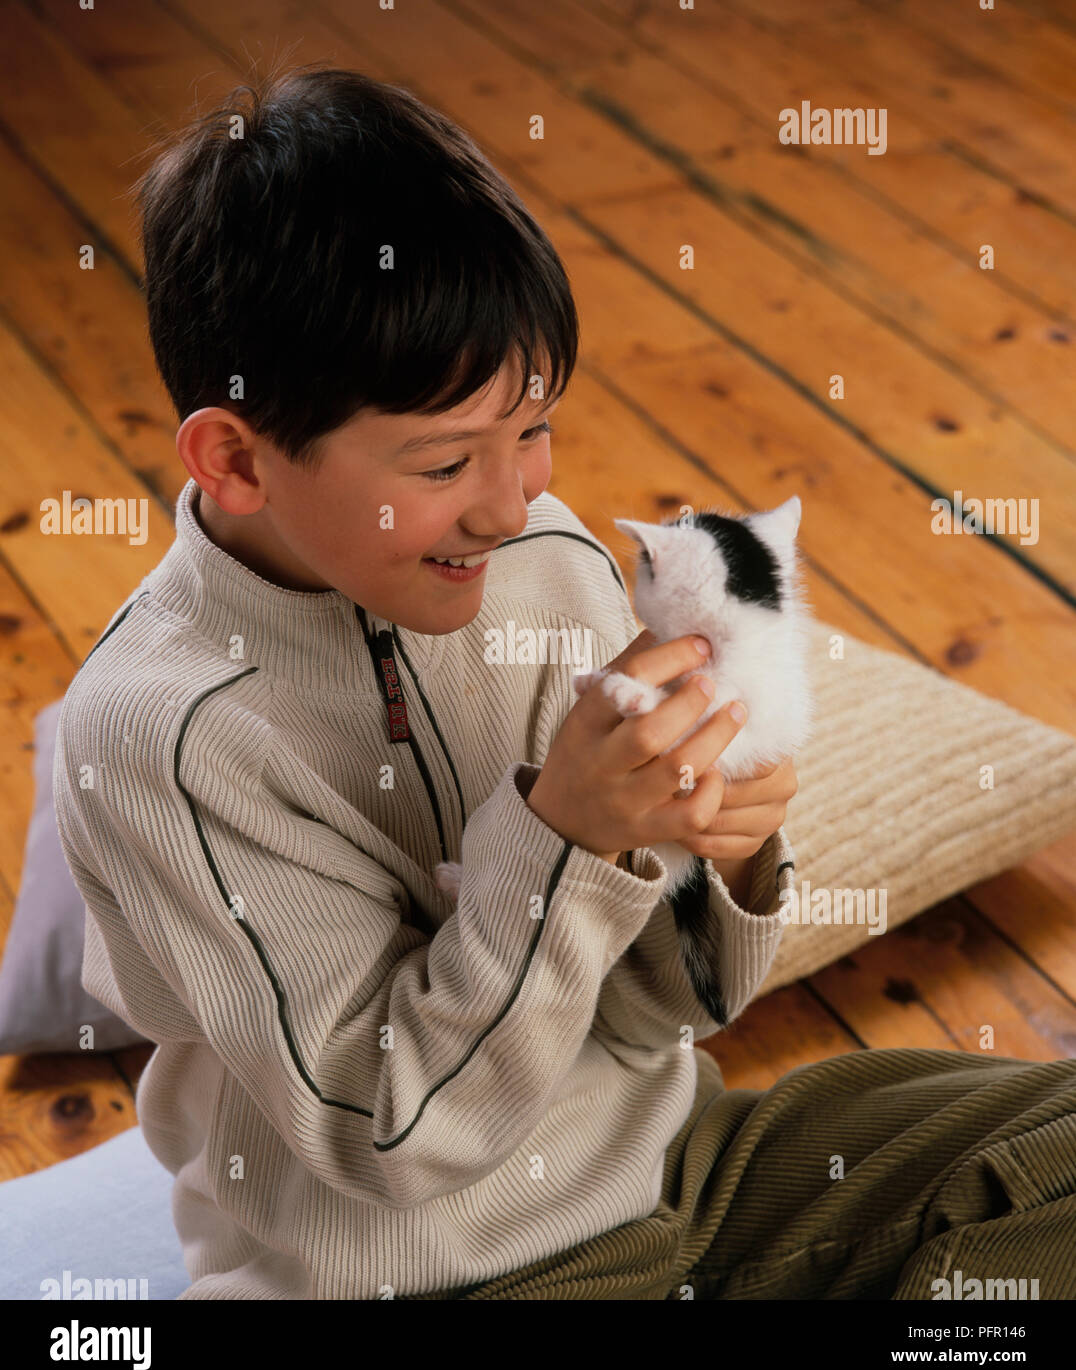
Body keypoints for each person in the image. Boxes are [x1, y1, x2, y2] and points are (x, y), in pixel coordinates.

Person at [54, 64, 1076, 1301]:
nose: (513, 498)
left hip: (678, 1184)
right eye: (443, 461)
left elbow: (656, 1015)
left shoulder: (547, 568)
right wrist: (564, 841)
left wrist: (721, 859)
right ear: (235, 458)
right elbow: (385, 1132)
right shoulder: (163, 732)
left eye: (532, 426)